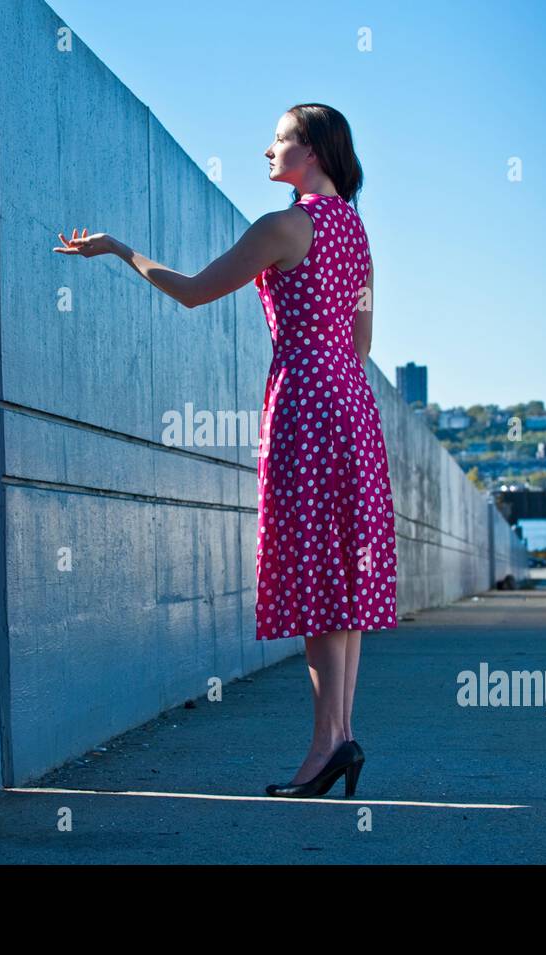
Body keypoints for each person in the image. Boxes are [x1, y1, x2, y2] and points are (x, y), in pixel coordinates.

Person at [52, 103, 398, 799]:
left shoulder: (283, 226)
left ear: (314, 151)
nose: (266, 149)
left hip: (305, 402)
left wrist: (119, 248)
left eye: (279, 139)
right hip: (353, 407)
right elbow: (362, 343)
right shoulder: (355, 233)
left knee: (316, 575)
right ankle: (340, 735)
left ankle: (328, 743)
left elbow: (191, 292)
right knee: (344, 578)